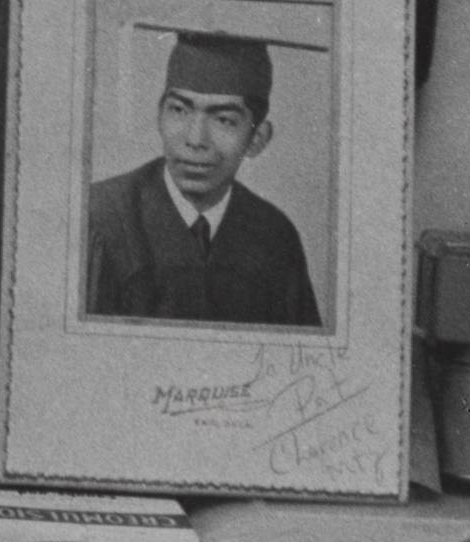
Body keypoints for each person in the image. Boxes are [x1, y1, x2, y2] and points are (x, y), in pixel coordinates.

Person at [83, 31, 321, 326]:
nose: (195, 139)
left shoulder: (274, 237)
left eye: (223, 120)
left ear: (257, 138)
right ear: (159, 116)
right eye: (180, 110)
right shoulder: (101, 218)